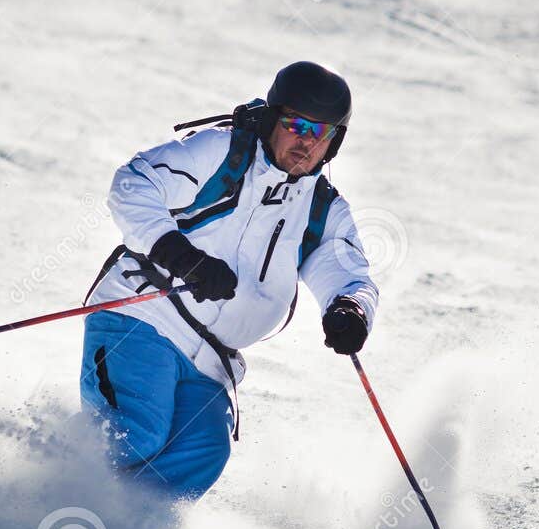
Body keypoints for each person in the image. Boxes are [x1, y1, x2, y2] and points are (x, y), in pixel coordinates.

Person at [80, 61, 379, 500]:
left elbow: (350, 276)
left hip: (212, 359)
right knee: (134, 434)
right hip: (144, 314)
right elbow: (134, 183)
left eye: (323, 133)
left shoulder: (321, 208)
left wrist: (350, 311)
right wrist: (180, 256)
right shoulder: (222, 155)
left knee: (202, 451)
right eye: (297, 124)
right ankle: (48, 507)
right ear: (274, 118)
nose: (307, 141)